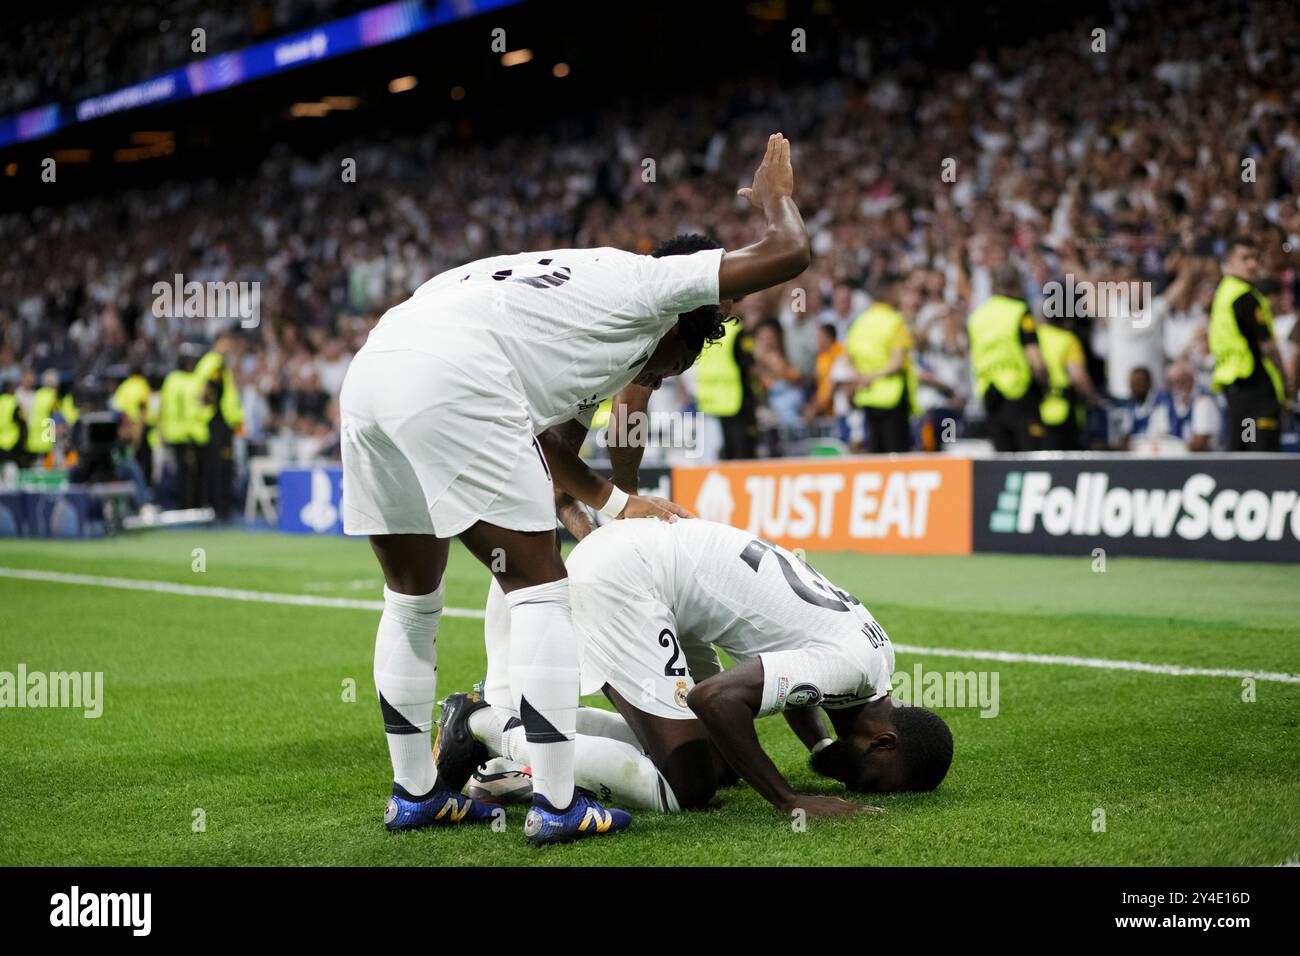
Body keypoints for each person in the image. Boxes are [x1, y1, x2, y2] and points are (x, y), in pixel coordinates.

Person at [339, 133, 811, 844]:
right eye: (692, 349)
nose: (667, 372)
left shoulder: (581, 307)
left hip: (375, 371)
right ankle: (558, 804)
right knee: (541, 593)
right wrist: (775, 202)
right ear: (689, 320)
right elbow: (789, 258)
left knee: (411, 600)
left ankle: (417, 794)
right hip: (451, 376)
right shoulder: (654, 284)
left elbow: (552, 445)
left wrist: (608, 502)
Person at [435, 518, 953, 816]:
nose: (857, 787)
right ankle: (485, 725)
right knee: (686, 788)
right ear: (884, 741)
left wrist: (819, 748)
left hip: (662, 570)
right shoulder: (854, 668)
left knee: (722, 764)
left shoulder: (876, 663)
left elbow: (799, 677)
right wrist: (789, 799)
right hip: (632, 579)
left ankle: (530, 730)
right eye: (873, 781)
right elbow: (716, 699)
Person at [1209, 236, 1291, 451]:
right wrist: (1286, 380)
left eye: (1255, 258)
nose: (1252, 264)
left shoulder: (1223, 292)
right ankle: (1254, 482)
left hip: (1234, 386)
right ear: (1228, 261)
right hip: (1254, 387)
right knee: (1258, 447)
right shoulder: (1245, 297)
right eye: (1245, 258)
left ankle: (1239, 481)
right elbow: (1268, 346)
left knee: (1243, 442)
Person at [967, 266, 1047, 451]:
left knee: (1002, 453)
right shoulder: (1019, 311)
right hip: (1018, 391)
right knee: (1028, 453)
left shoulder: (977, 316)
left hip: (989, 391)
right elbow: (1034, 356)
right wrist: (1044, 382)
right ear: (1017, 285)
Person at [846, 277, 916, 453]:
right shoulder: (895, 322)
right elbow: (898, 361)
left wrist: (860, 377)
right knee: (896, 455)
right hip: (892, 397)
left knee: (876, 455)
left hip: (868, 397)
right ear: (891, 294)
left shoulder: (859, 323)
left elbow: (847, 357)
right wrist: (874, 376)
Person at [1036, 314, 1102, 451]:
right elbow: (1078, 377)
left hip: (1035, 409)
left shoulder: (1036, 336)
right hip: (1063, 411)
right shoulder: (1068, 339)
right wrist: (1092, 397)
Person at [1133, 361, 1221, 451]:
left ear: (1192, 380)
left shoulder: (1203, 403)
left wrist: (1175, 450)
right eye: (1172, 382)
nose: (1177, 386)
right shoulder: (1164, 407)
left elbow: (1201, 444)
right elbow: (1155, 440)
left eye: (1181, 381)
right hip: (1174, 461)